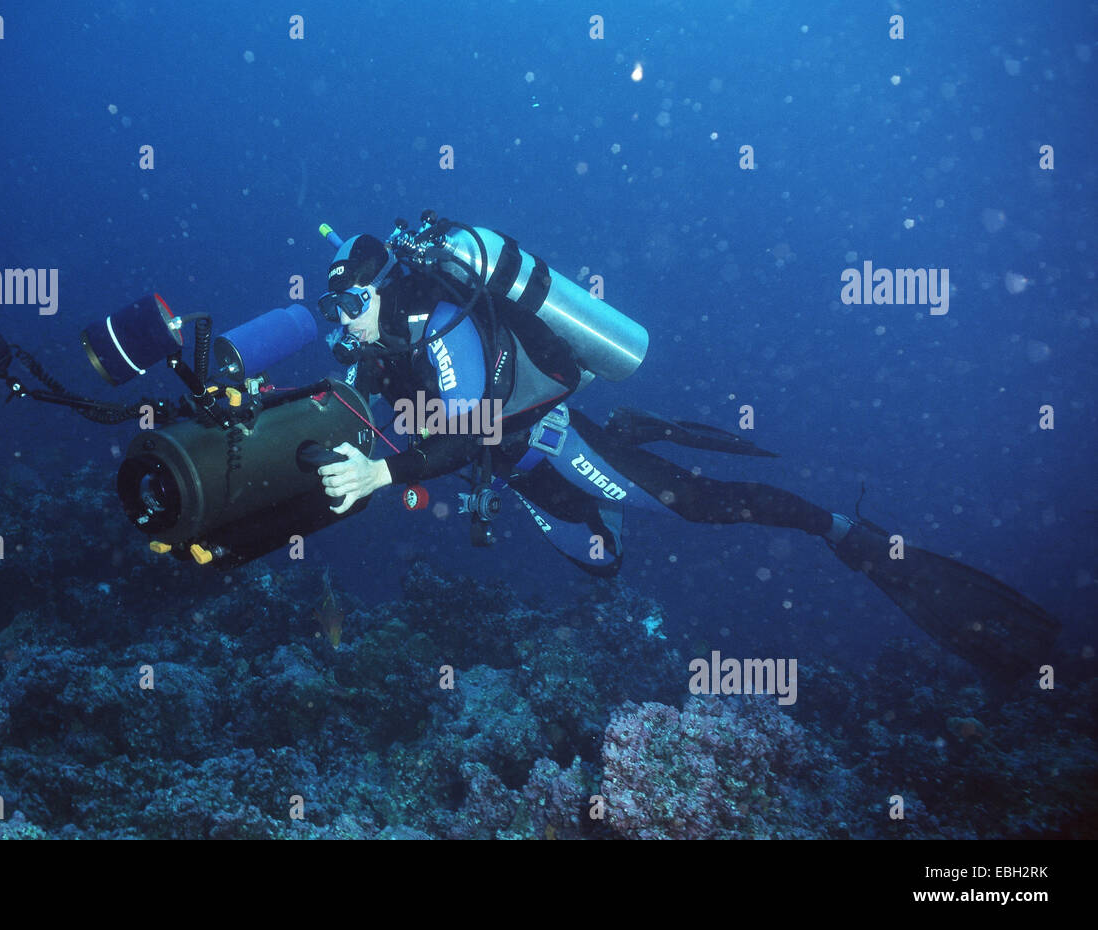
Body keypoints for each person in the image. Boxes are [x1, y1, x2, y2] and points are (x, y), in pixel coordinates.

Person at [315, 233, 1060, 680]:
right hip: (516, 473)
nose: (345, 329)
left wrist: (384, 473)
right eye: (334, 316)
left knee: (700, 507)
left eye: (349, 308)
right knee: (604, 564)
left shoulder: (442, 324)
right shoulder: (385, 351)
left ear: (383, 289)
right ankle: (630, 441)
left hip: (549, 443)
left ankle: (834, 527)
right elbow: (363, 408)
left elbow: (471, 426)